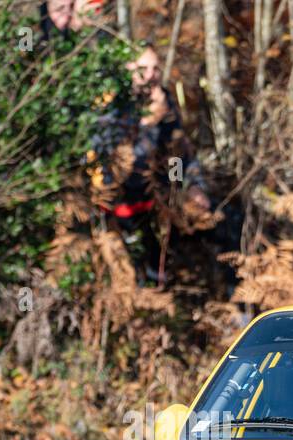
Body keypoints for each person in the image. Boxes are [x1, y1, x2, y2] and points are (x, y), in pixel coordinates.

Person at [93, 42, 240, 287]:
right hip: (125, 210)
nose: (151, 76)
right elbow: (122, 165)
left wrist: (191, 186)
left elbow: (178, 154)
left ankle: (235, 303)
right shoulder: (114, 108)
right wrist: (151, 122)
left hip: (163, 201)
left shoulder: (165, 101)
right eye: (143, 69)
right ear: (129, 70)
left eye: (156, 69)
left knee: (229, 220)